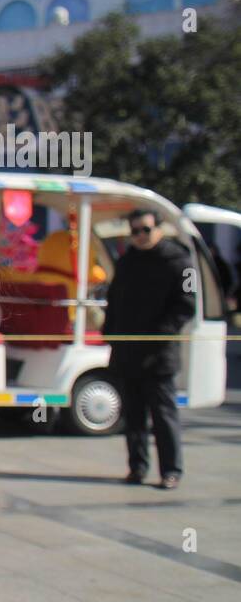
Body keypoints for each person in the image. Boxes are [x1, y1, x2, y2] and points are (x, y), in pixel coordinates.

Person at [104, 208, 195, 491]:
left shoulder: (178, 261)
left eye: (145, 230)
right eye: (134, 231)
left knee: (163, 416)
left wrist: (161, 334)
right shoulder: (127, 261)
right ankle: (137, 468)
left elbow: (186, 305)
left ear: (159, 229)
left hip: (159, 353)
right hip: (128, 352)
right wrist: (111, 333)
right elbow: (114, 300)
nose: (140, 236)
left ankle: (171, 471)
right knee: (133, 417)